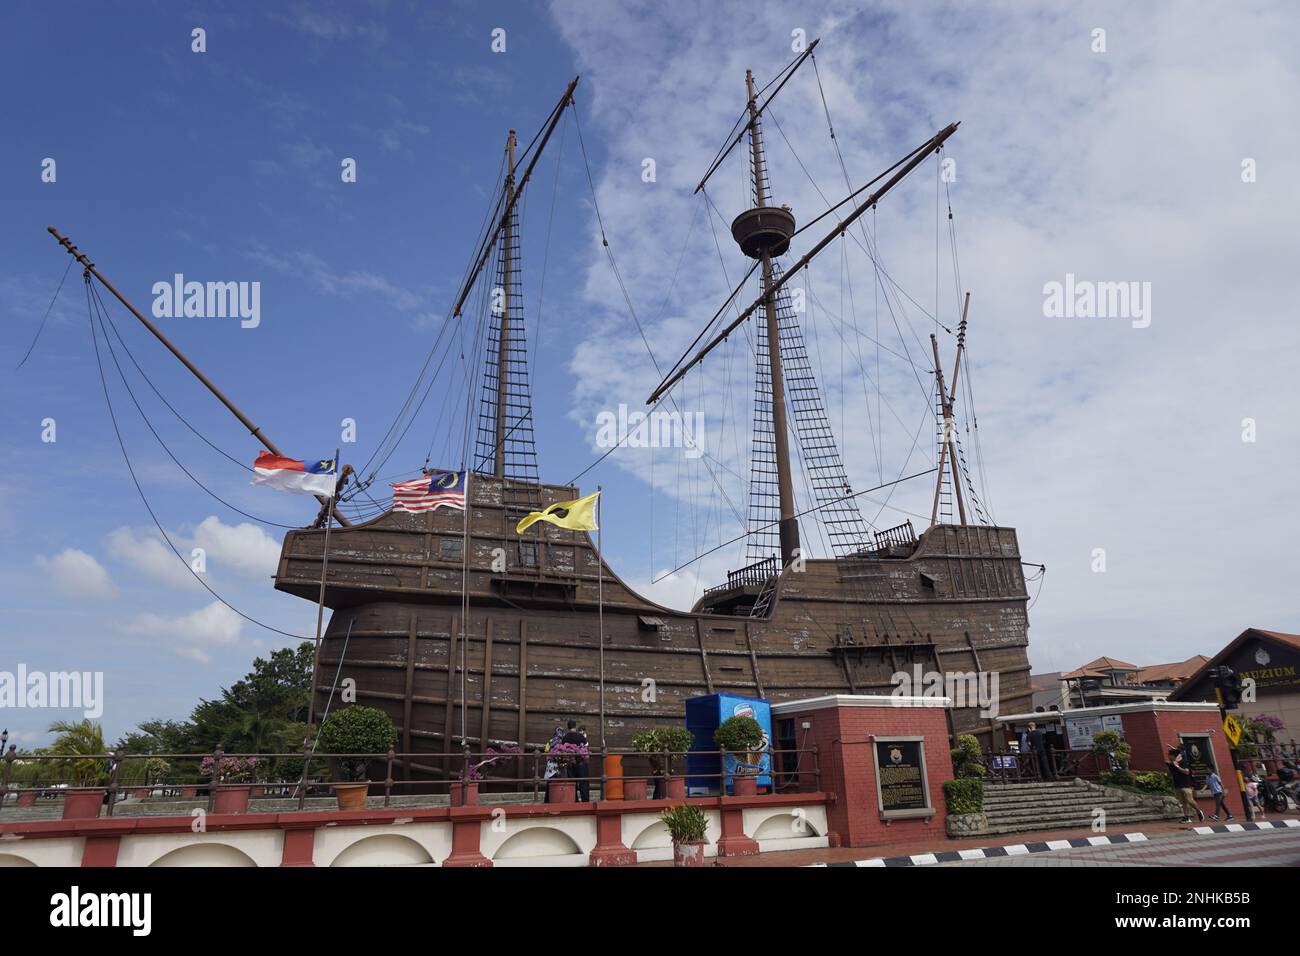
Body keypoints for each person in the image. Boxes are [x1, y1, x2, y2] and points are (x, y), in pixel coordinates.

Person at [1167, 746, 1204, 823]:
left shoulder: (1183, 762)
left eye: (1169, 755)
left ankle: (1199, 811)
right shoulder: (1171, 764)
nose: (1168, 756)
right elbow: (1170, 774)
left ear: (1173, 755)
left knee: (1190, 800)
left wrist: (1177, 766)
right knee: (1183, 802)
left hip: (1185, 784)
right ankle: (1186, 817)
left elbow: (1187, 772)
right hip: (1177, 784)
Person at [562, 720, 591, 802]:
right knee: (583, 782)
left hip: (570, 762)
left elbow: (563, 748)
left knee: (572, 782)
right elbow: (586, 745)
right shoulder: (580, 736)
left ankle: (574, 800)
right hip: (580, 761)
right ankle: (585, 800)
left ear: (568, 727)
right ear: (575, 726)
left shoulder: (565, 737)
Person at [542, 725, 564, 803]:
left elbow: (546, 751)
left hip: (551, 764)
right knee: (558, 783)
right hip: (560, 764)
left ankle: (547, 800)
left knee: (550, 782)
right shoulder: (563, 742)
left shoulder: (550, 741)